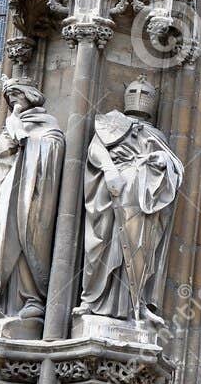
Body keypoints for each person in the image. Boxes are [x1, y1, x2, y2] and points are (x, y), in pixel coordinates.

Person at [78, 77, 184, 327]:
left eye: (145, 92)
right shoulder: (110, 121)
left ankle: (135, 304)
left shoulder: (154, 134)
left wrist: (162, 160)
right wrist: (109, 170)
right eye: (134, 90)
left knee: (140, 246)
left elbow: (174, 167)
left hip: (140, 199)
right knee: (102, 244)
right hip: (111, 192)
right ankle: (93, 301)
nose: (139, 94)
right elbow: (96, 149)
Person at [0, 78, 64, 324]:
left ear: (31, 96)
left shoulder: (47, 126)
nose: (13, 102)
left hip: (29, 195)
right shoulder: (9, 125)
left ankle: (30, 298)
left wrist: (22, 135)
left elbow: (51, 152)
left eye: (17, 96)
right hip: (1, 196)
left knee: (24, 238)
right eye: (9, 99)